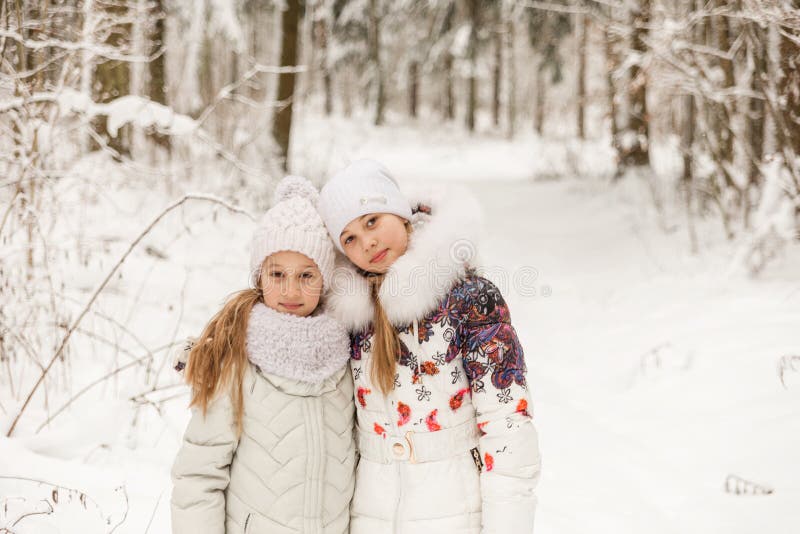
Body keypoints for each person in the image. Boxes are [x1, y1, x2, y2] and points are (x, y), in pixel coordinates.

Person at [317, 159, 542, 534]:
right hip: (369, 517)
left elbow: (508, 427)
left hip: (457, 513)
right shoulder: (349, 319)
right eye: (349, 238)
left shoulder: (470, 301)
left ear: (401, 213)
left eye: (372, 221)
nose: (367, 242)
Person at [170, 176, 356, 534]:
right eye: (277, 274)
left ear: (325, 279)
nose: (291, 289)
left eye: (306, 275)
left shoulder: (343, 356)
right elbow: (198, 476)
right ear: (259, 275)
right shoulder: (236, 360)